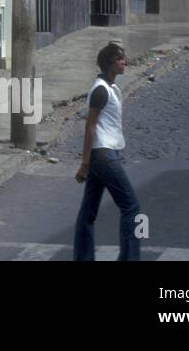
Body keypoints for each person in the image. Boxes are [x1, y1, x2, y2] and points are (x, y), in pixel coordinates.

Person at [73, 43, 141, 261]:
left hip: (103, 153)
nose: (125, 62)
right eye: (120, 59)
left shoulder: (110, 87)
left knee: (88, 211)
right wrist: (84, 163)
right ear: (109, 63)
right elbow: (90, 127)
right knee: (131, 206)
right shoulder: (101, 90)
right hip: (103, 155)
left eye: (124, 58)